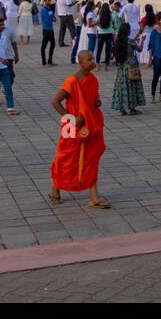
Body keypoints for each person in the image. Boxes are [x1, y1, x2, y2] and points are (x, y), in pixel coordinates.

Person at [49, 50, 110, 208]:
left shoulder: (93, 80)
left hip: (90, 125)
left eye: (93, 58)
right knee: (65, 157)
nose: (92, 61)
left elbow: (94, 101)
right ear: (80, 62)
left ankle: (94, 197)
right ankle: (55, 189)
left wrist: (97, 103)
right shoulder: (71, 81)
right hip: (70, 124)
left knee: (91, 158)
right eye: (88, 59)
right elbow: (55, 101)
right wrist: (70, 117)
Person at [110, 21, 145, 116]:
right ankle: (132, 109)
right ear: (128, 31)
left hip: (121, 67)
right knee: (132, 86)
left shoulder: (118, 41)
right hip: (131, 66)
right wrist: (142, 40)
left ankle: (122, 109)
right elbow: (140, 49)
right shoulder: (130, 41)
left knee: (121, 87)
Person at [95, 3, 116, 67]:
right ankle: (106, 66)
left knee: (99, 50)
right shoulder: (111, 15)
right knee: (107, 50)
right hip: (109, 33)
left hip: (101, 33)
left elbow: (96, 22)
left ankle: (97, 65)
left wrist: (100, 27)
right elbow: (114, 23)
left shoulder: (99, 15)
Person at [39, 0, 57, 65]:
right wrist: (51, 19)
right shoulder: (44, 9)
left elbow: (52, 16)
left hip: (50, 29)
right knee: (44, 46)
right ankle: (44, 61)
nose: (50, 2)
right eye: (48, 0)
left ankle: (50, 60)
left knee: (53, 44)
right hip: (46, 29)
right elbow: (46, 20)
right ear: (45, 1)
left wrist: (53, 18)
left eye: (50, 0)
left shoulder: (49, 8)